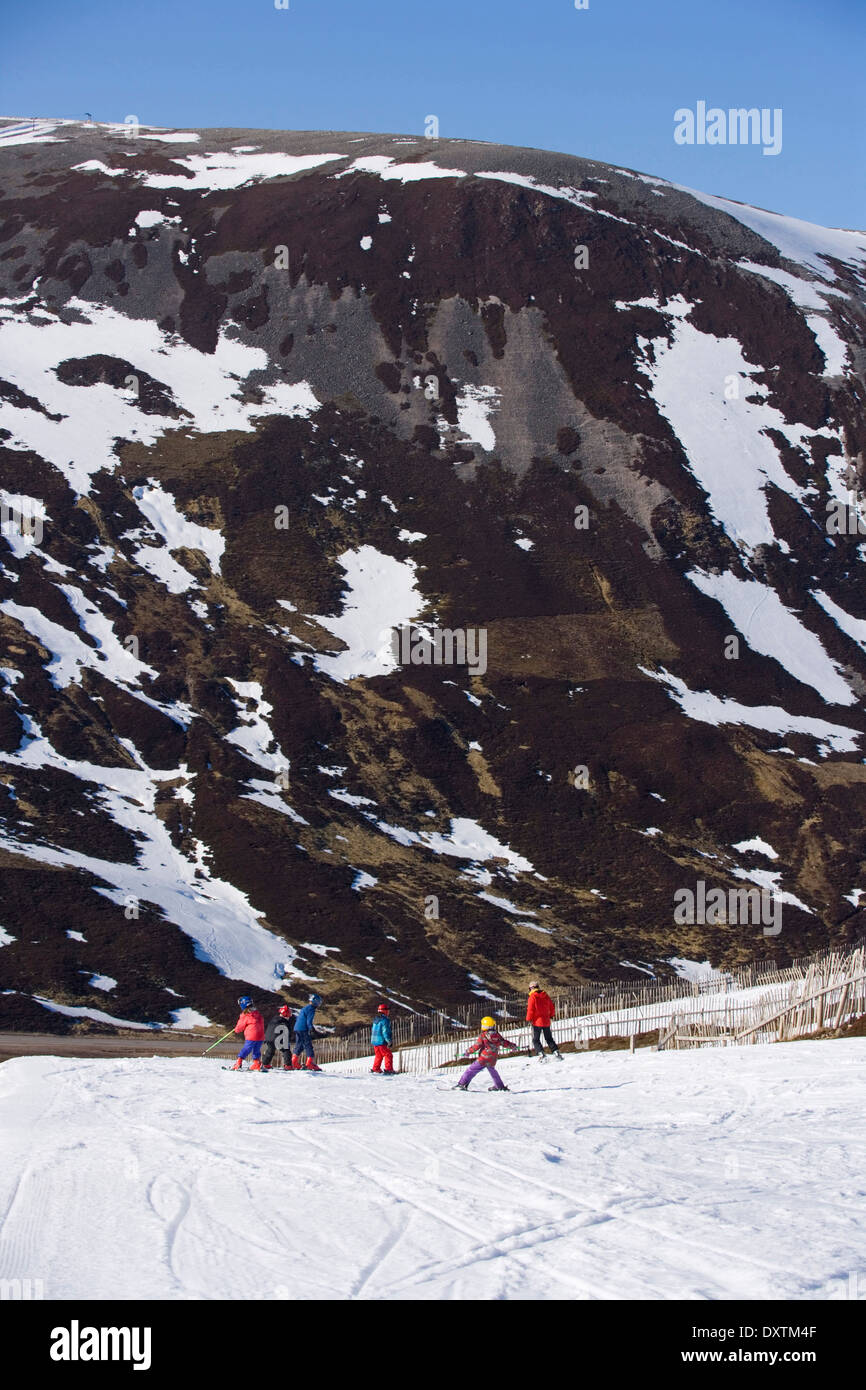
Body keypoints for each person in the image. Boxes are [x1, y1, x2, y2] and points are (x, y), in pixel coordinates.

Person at [456, 1016, 518, 1091]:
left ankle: (462, 1084)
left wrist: (468, 1052)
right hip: (493, 1058)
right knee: (493, 1072)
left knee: (471, 1070)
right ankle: (499, 1086)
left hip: (483, 1058)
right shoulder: (497, 1035)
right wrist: (513, 1046)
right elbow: (504, 1042)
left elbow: (477, 1046)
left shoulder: (483, 1035)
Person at [526, 980, 562, 1061]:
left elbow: (530, 1010)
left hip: (537, 1022)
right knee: (549, 1038)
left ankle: (541, 1054)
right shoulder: (545, 995)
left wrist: (528, 1019)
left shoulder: (532, 997)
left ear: (531, 988)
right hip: (546, 1021)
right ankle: (556, 1052)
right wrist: (551, 1015)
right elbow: (551, 1007)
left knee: (536, 1040)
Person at [231, 996, 265, 1071]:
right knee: (256, 1049)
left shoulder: (245, 1015)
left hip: (252, 1036)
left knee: (247, 1049)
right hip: (260, 1036)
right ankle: (257, 1063)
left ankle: (238, 1062)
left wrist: (236, 1030)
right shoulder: (257, 1013)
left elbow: (240, 1026)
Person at [291, 993, 323, 1071]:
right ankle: (309, 1063)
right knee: (308, 1045)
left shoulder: (305, 1008)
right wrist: (311, 1029)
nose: (319, 1004)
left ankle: (293, 1062)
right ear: (315, 1002)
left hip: (297, 1028)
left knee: (299, 1045)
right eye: (318, 1002)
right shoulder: (311, 1009)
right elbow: (309, 1021)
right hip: (303, 1029)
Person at [262, 1003, 295, 1071]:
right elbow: (287, 1032)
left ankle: (265, 1064)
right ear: (286, 1015)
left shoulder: (273, 1019)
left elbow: (269, 1029)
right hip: (278, 1039)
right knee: (286, 1050)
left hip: (268, 1038)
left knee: (270, 1051)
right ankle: (288, 1065)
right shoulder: (284, 1022)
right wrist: (289, 1039)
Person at [370, 1003, 394, 1074]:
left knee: (379, 1055)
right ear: (385, 1011)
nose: (388, 1012)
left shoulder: (375, 1019)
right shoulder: (385, 1020)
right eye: (387, 1010)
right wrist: (389, 1041)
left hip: (374, 1041)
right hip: (381, 1041)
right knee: (388, 1054)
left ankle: (376, 1068)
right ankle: (389, 1069)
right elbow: (385, 1032)